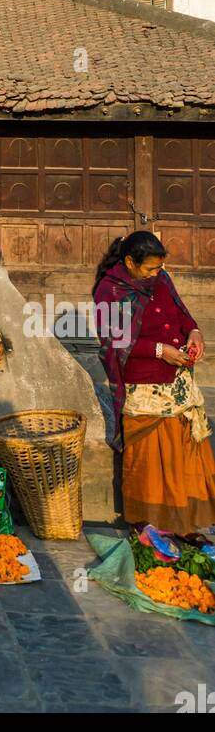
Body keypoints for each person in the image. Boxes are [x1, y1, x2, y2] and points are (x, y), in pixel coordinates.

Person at [93, 230, 215, 538]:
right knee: (150, 461)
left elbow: (180, 310)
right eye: (150, 269)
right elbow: (115, 342)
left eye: (159, 268)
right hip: (144, 385)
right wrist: (161, 351)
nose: (156, 274)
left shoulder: (160, 278)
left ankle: (184, 523)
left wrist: (194, 333)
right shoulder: (110, 291)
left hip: (178, 383)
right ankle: (151, 525)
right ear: (131, 262)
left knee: (182, 455)